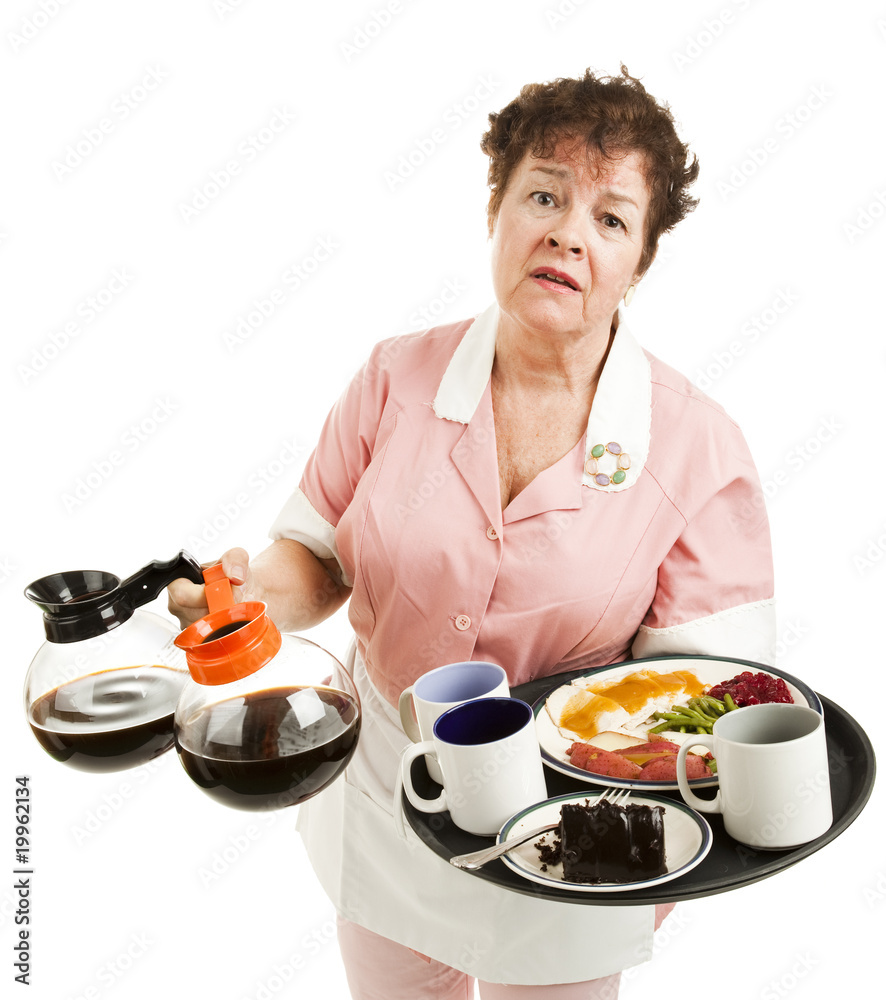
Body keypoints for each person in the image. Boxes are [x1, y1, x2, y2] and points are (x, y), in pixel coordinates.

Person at [170, 66, 775, 999]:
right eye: (543, 195)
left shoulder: (696, 446)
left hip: (569, 832)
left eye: (610, 219)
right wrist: (247, 601)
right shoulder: (392, 378)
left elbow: (705, 702)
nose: (568, 234)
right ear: (495, 209)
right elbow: (316, 557)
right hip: (389, 801)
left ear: (639, 263)